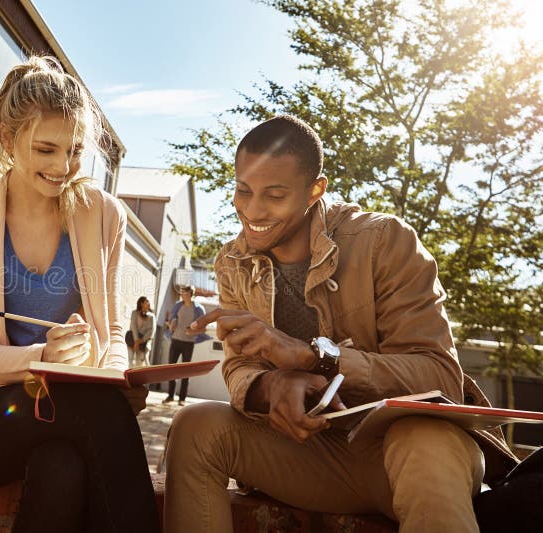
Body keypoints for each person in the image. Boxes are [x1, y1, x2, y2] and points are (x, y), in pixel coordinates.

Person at [163, 115, 517, 533]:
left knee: (424, 440)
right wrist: (270, 386)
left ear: (316, 190)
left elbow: (441, 377)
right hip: (315, 455)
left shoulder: (385, 241)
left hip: (409, 456)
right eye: (243, 190)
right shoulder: (232, 262)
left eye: (274, 195)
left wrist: (318, 358)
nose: (252, 210)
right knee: (196, 426)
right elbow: (241, 366)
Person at [0, 56, 160, 533]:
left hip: (71, 416)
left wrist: (116, 375)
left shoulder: (104, 214)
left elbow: (111, 331)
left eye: (75, 151)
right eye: (46, 150)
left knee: (63, 470)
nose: (63, 167)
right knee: (94, 410)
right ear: (9, 142)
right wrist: (41, 358)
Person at [163, 285, 209, 405]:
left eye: (183, 292)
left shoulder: (198, 309)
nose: (181, 294)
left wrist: (193, 331)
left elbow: (204, 329)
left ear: (189, 294)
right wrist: (171, 325)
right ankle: (170, 396)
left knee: (185, 370)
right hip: (176, 340)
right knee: (171, 368)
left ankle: (182, 398)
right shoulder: (178, 305)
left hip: (188, 343)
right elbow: (171, 322)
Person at [129, 296, 155, 367]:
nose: (149, 303)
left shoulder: (152, 316)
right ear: (141, 303)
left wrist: (141, 341)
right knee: (129, 360)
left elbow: (151, 331)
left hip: (144, 343)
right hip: (132, 340)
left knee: (140, 364)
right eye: (147, 301)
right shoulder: (134, 313)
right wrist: (136, 341)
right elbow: (133, 327)